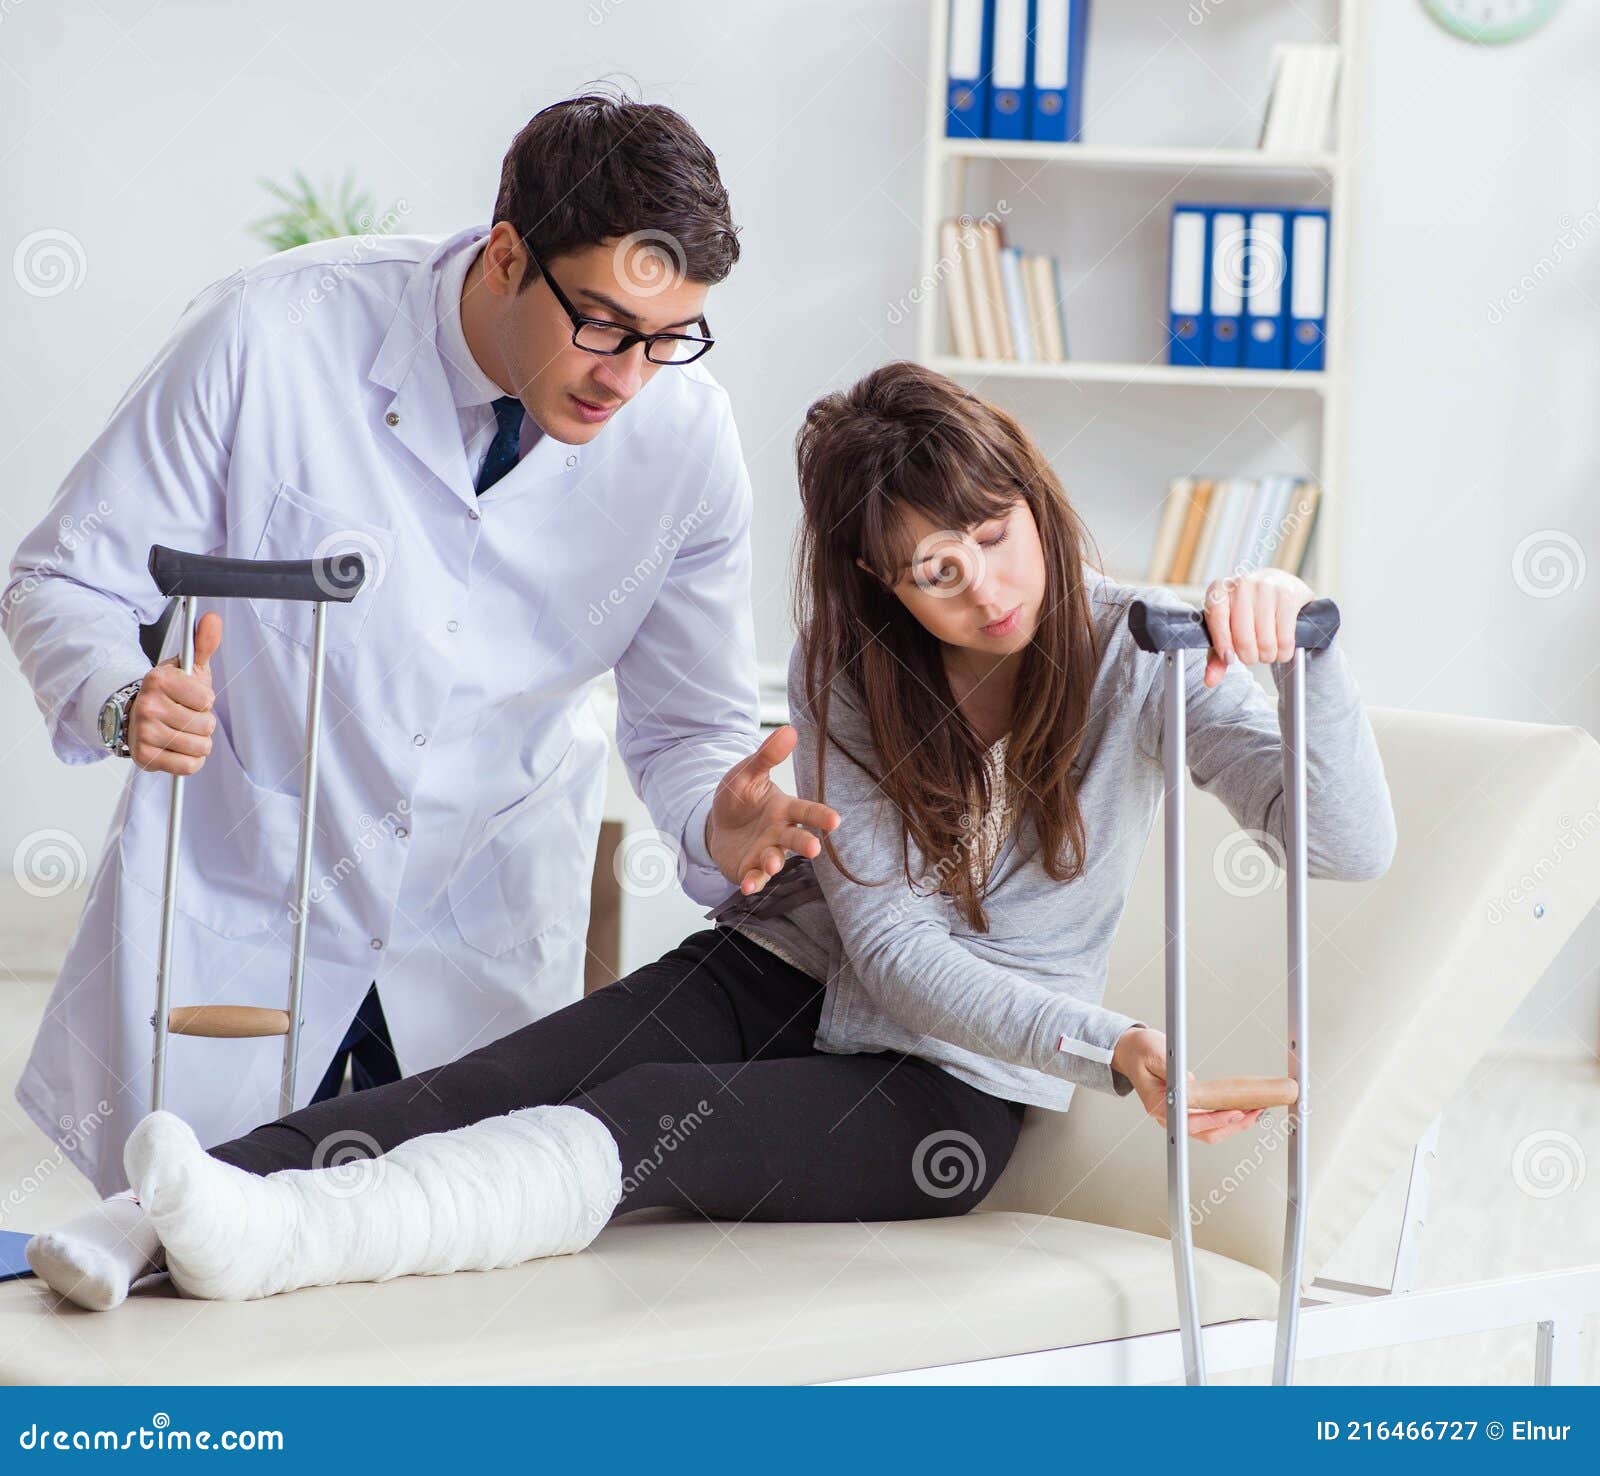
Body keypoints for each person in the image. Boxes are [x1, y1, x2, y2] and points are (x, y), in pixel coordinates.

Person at [25, 361, 1396, 1311]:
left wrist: (1303, 647)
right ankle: (129, 1225)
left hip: (953, 1092)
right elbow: (890, 941)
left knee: (635, 1121)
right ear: (877, 578)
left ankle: (265, 1248)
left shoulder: (1141, 652)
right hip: (774, 973)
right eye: (933, 568)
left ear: (1033, 497)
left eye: (995, 534)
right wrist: (1116, 1041)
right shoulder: (845, 668)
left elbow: (1347, 847)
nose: (983, 588)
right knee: (481, 1081)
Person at [3, 92, 837, 1202]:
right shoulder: (271, 334)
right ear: (504, 256)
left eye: (666, 339)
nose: (626, 378)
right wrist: (120, 699)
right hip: (247, 918)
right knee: (189, 1260)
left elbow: (687, 726)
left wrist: (712, 817)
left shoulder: (685, 440)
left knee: (430, 1282)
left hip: (480, 935)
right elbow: (63, 578)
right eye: (600, 325)